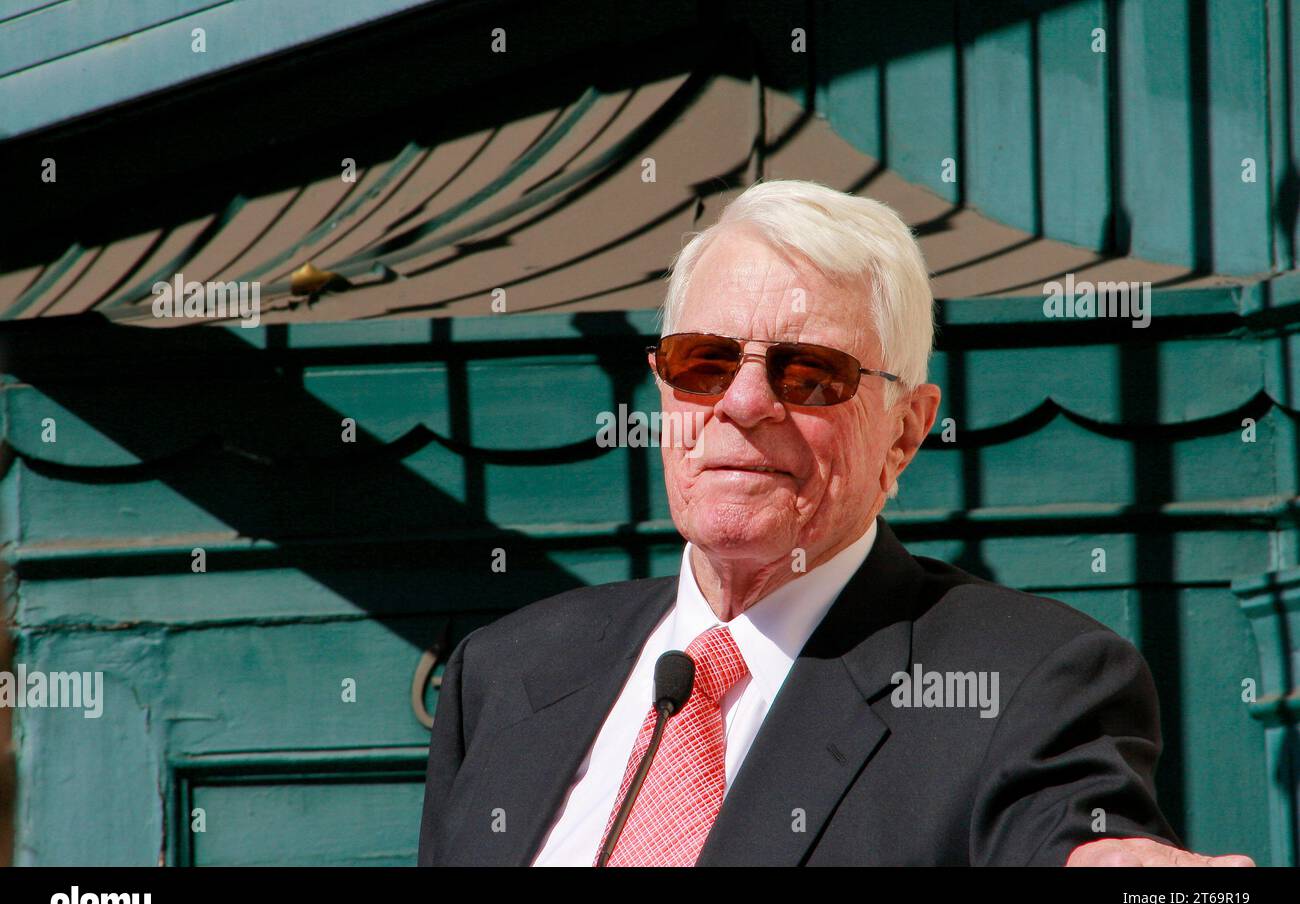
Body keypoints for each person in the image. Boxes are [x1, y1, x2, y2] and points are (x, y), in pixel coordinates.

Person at [418, 179, 1254, 867]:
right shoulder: (506, 671)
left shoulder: (1025, 682)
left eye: (810, 374)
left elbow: (1070, 835)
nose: (744, 403)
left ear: (905, 432)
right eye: (704, 362)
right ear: (663, 388)